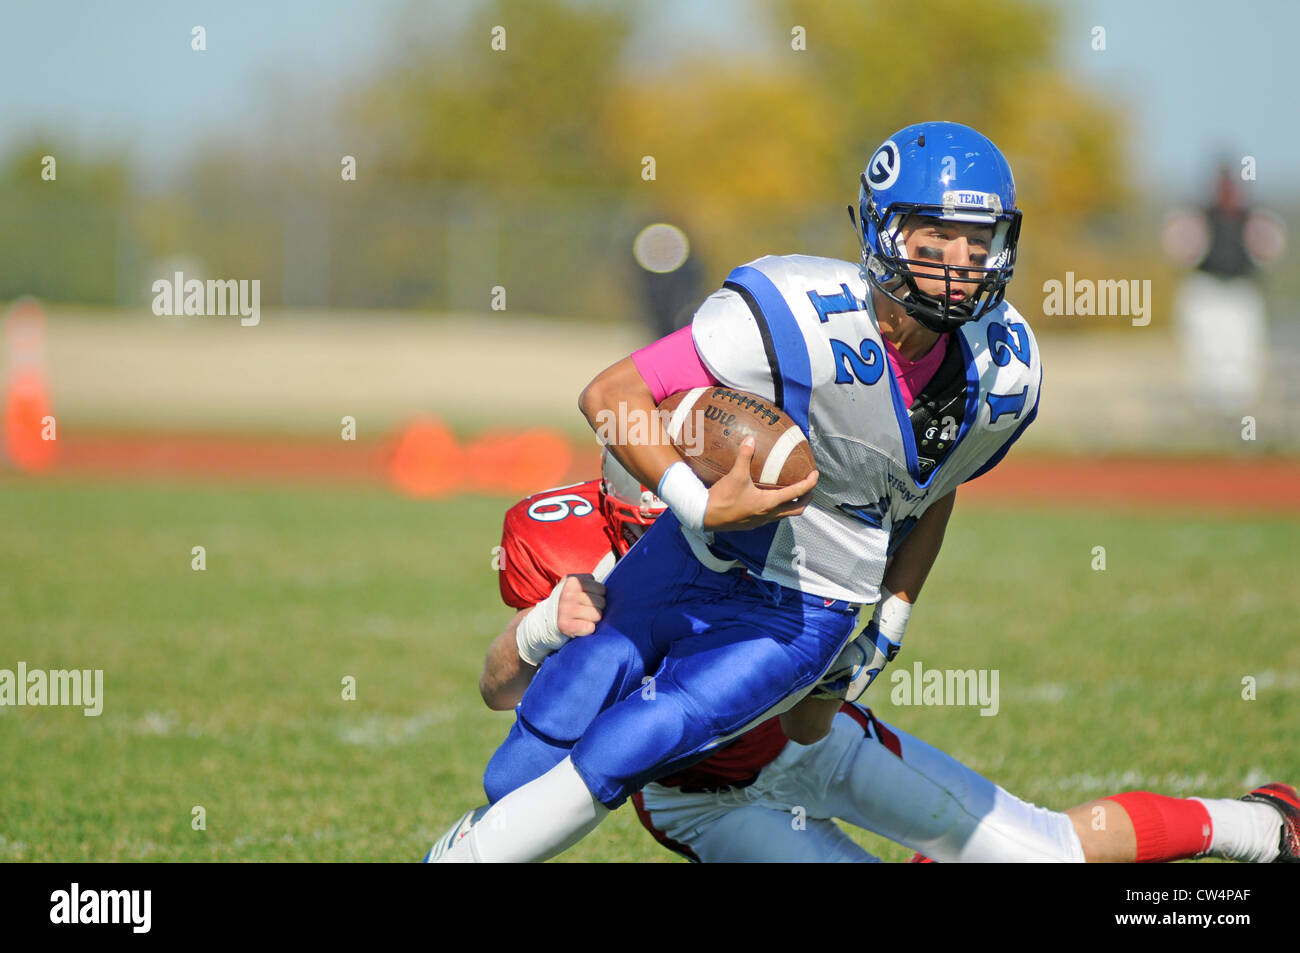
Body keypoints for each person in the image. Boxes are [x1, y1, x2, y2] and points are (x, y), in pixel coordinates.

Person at [434, 120, 1045, 863]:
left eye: (979, 243)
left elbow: (932, 486)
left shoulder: (1002, 368)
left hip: (809, 600)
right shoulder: (798, 308)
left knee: (636, 739)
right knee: (519, 769)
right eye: (936, 241)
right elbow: (612, 393)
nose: (962, 264)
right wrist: (697, 501)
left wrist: (897, 608)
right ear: (884, 233)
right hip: (695, 549)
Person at [425, 454, 1298, 863]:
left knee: (1045, 856)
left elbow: (936, 484)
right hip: (700, 805)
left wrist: (882, 625)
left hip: (813, 743)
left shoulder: (789, 515)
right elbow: (499, 691)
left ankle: (1263, 825)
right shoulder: (561, 534)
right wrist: (539, 629)